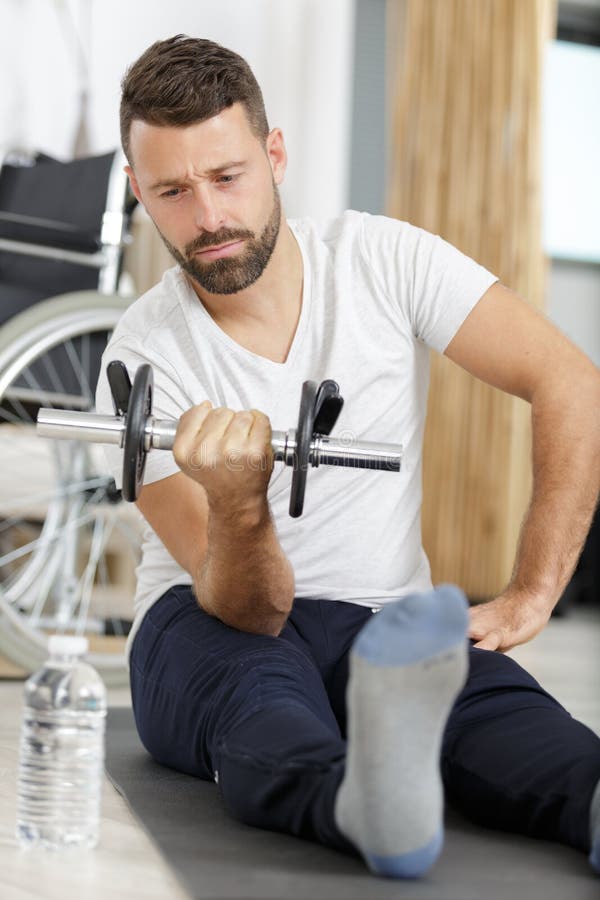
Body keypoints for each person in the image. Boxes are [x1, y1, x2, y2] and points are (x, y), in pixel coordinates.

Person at [95, 34, 600, 879]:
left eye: (227, 177)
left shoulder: (384, 258)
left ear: (275, 154)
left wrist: (532, 592)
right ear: (138, 192)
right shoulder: (143, 356)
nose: (209, 218)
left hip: (382, 621)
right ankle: (357, 801)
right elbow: (250, 609)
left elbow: (569, 381)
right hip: (208, 620)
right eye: (174, 192)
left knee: (513, 725)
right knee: (263, 706)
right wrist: (239, 503)